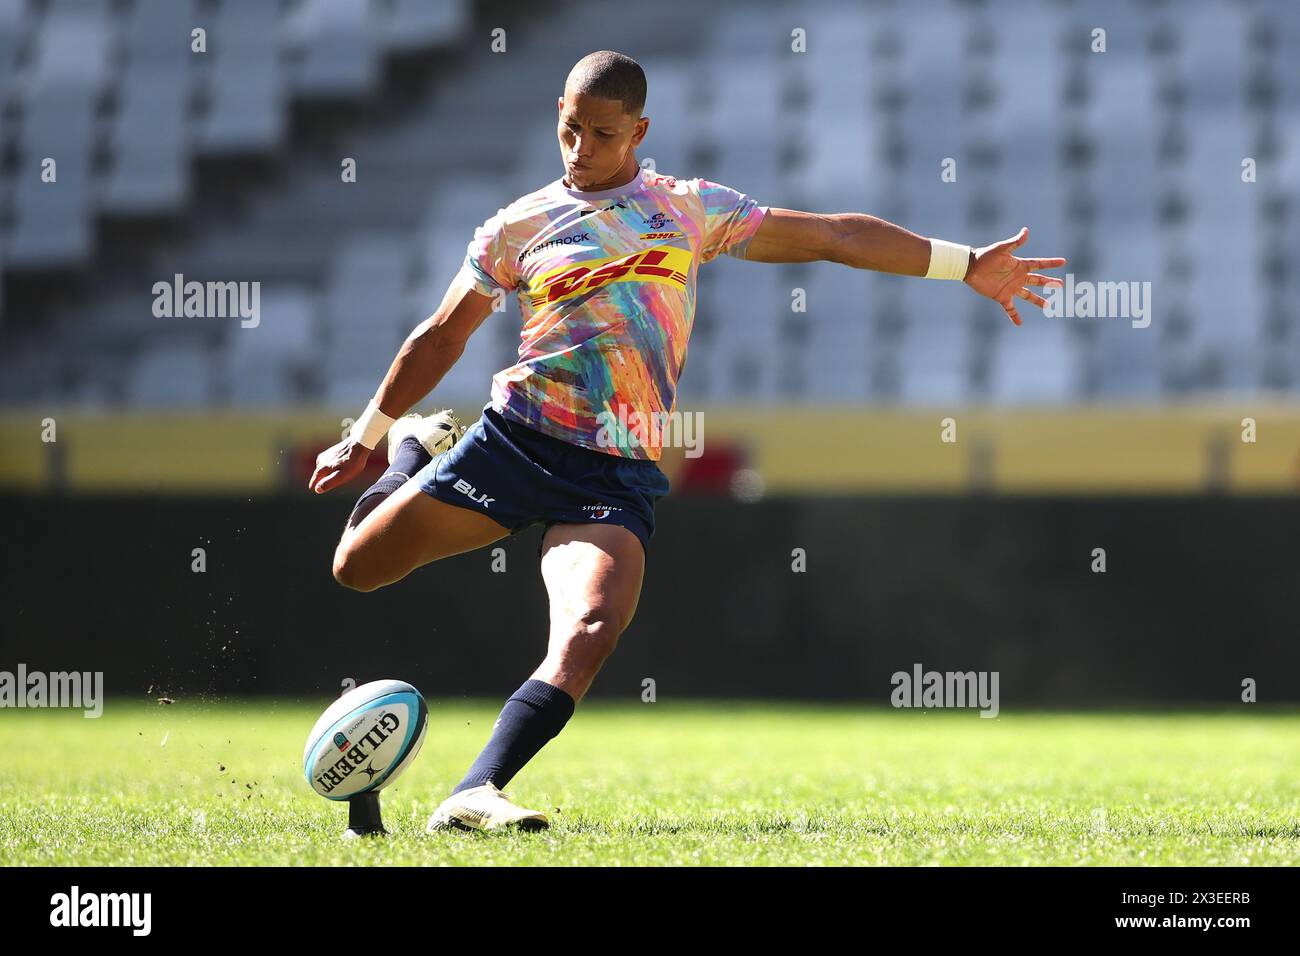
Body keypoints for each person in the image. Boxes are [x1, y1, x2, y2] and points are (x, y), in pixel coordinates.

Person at [309, 50, 1066, 831]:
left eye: (602, 134)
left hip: (615, 471)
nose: (581, 150)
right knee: (358, 569)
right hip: (517, 441)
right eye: (570, 129)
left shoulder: (688, 209)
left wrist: (967, 263)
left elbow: (835, 236)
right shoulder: (517, 225)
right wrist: (368, 437)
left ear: (639, 130)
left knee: (593, 627)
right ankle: (413, 450)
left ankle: (476, 791)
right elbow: (439, 338)